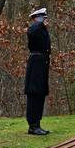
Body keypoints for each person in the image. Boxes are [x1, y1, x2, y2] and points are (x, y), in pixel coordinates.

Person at [24, 7, 51, 136]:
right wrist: (40, 24)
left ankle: (37, 124)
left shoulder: (42, 30)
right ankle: (33, 125)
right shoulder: (34, 28)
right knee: (34, 93)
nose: (45, 20)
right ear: (37, 19)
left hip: (42, 64)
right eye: (42, 18)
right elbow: (31, 31)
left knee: (40, 93)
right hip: (36, 64)